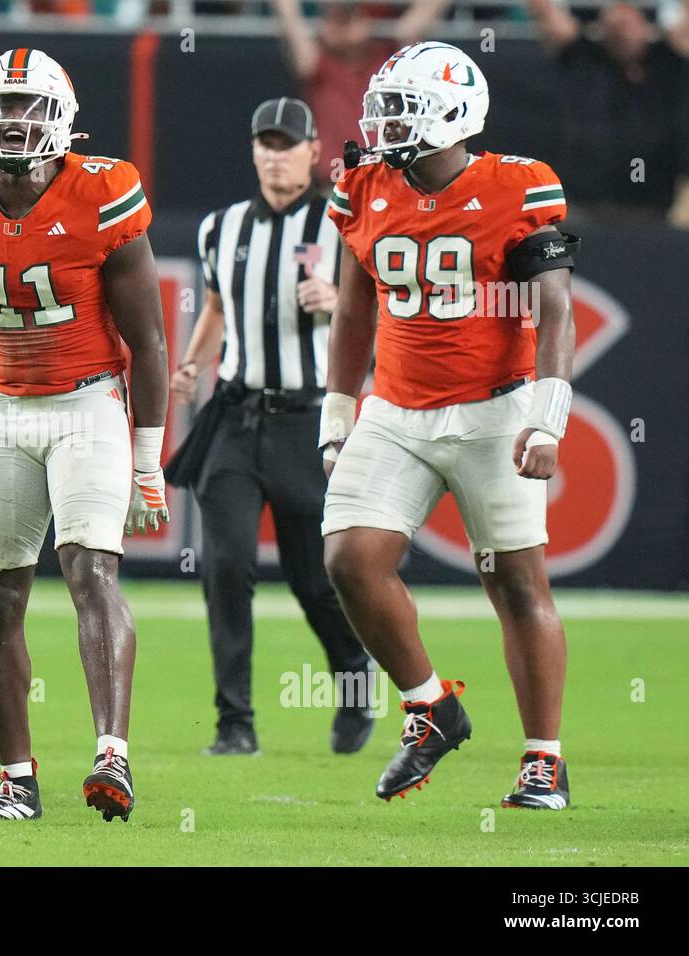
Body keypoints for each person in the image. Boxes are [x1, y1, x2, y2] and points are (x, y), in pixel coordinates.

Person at [321, 42, 578, 809]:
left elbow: (555, 306)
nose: (385, 123)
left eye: (403, 108)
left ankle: (544, 759)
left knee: (516, 584)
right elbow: (353, 307)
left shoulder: (517, 184)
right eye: (384, 107)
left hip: (496, 408)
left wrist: (548, 418)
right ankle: (431, 705)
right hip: (396, 407)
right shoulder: (363, 184)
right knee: (349, 558)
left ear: (455, 113)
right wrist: (338, 409)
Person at [0, 48, 169, 822]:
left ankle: (111, 756)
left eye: (30, 108)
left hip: (87, 402)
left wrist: (148, 461)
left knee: (91, 570)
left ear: (63, 120)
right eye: (3, 107)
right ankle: (16, 782)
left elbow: (149, 341)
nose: (15, 122)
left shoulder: (104, 192)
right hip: (0, 405)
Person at [171, 97, 373, 758]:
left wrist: (338, 301)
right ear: (254, 151)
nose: (276, 155)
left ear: (314, 151)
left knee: (316, 579)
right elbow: (215, 307)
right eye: (266, 143)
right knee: (225, 566)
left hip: (309, 419)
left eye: (288, 144)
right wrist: (192, 363)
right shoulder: (221, 227)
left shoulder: (343, 222)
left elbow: (387, 314)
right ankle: (234, 722)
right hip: (235, 415)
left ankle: (354, 681)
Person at [526, 0, 689, 223]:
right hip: (584, 203)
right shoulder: (582, 58)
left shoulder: (667, 60)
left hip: (651, 206)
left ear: (645, 28)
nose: (623, 33)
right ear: (601, 30)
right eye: (615, 26)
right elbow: (546, 14)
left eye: (629, 24)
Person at [270, 0, 453, 185]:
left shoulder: (389, 63)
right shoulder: (319, 66)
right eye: (333, 19)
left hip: (388, 181)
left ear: (368, 22)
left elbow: (415, 24)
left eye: (350, 18)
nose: (341, 27)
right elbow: (291, 20)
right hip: (334, 184)